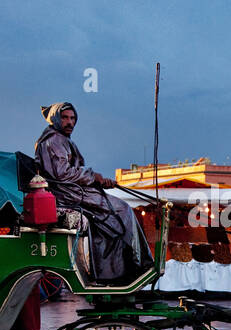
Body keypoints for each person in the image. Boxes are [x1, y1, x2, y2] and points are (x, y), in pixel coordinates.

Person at [34, 102, 147, 283]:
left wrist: (100, 181)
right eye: (65, 118)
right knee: (122, 210)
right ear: (55, 119)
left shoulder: (63, 140)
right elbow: (62, 174)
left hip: (75, 191)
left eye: (72, 118)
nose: (70, 122)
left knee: (116, 215)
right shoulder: (54, 140)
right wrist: (93, 177)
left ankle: (115, 271)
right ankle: (126, 270)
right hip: (68, 194)